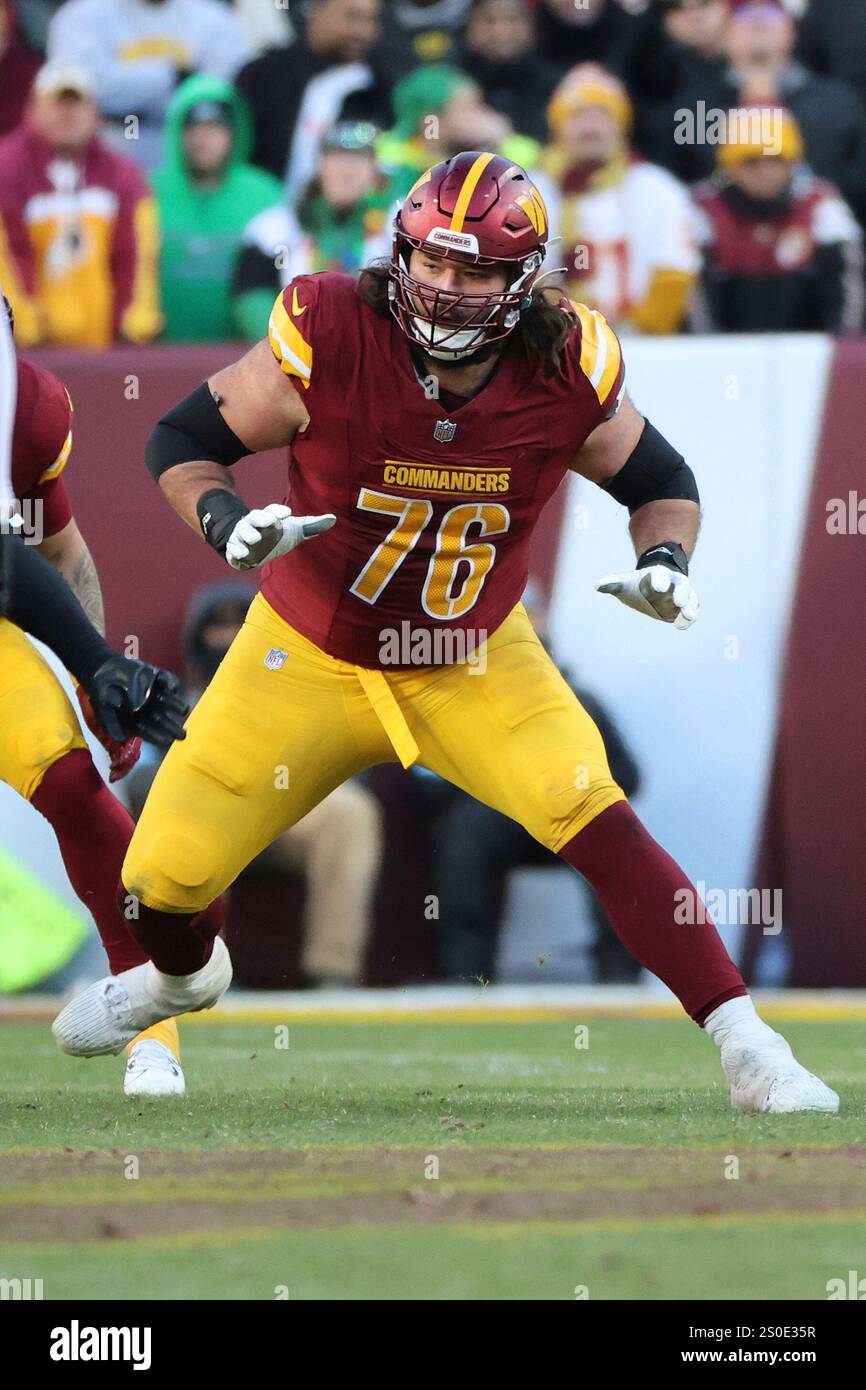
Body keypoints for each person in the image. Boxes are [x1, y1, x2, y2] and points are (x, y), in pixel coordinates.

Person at [55, 151, 838, 1117]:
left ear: (524, 280)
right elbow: (180, 441)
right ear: (401, 253)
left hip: (468, 656)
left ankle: (750, 1048)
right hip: (304, 650)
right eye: (432, 263)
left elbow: (664, 486)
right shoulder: (331, 326)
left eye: (475, 272)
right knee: (160, 882)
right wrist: (226, 522)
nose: (447, 288)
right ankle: (179, 984)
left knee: (588, 807)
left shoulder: (567, 362)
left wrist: (666, 564)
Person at [0, 300, 192, 1091]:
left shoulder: (31, 408)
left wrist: (96, 673)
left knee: (71, 779)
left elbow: (50, 550)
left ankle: (156, 1021)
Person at [125, 581, 384, 988]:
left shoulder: (300, 695)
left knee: (351, 811)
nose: (228, 637)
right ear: (197, 638)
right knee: (193, 812)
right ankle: (198, 974)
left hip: (285, 817)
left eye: (238, 625)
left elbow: (348, 756)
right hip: (208, 823)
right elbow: (137, 775)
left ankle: (334, 975)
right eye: (217, 627)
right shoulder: (170, 701)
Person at [421, 584, 641, 983]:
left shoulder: (581, 702)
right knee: (463, 836)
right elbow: (430, 789)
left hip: (567, 814)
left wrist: (581, 786)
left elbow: (630, 776)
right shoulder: (456, 703)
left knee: (607, 827)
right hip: (499, 817)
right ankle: (464, 975)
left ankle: (620, 975)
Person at [0, 61, 162, 348]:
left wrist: (131, 331)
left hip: (103, 351)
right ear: (32, 110)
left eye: (77, 105)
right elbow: (7, 259)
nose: (68, 114)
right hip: (24, 353)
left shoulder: (121, 175)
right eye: (56, 104)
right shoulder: (7, 170)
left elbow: (135, 257)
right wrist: (24, 335)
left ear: (96, 114)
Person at [537, 64, 699, 333]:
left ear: (621, 124)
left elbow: (676, 270)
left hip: (643, 344)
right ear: (558, 125)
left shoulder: (657, 188)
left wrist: (632, 334)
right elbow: (531, 278)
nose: (590, 127)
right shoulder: (534, 189)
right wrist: (568, 335)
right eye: (577, 115)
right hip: (556, 345)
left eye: (602, 115)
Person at [674, 0, 866, 225]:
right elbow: (681, 180)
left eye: (772, 13)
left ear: (792, 31)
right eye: (743, 14)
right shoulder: (694, 107)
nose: (758, 21)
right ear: (724, 34)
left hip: (821, 240)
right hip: (719, 242)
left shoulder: (838, 102)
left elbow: (858, 184)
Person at [691, 107, 863, 332]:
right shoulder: (703, 211)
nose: (765, 172)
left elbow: (846, 300)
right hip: (726, 353)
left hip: (810, 350)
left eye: (775, 160)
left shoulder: (821, 207)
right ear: (729, 165)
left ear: (793, 161)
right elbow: (697, 306)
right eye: (751, 161)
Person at [152, 75, 284, 342]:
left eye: (215, 128)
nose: (203, 139)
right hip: (158, 355)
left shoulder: (265, 194)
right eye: (194, 128)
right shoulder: (148, 191)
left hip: (243, 359)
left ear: (235, 133)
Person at [232, 120, 393, 338]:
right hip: (295, 357)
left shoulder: (396, 228)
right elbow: (252, 298)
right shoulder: (276, 228)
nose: (347, 172)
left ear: (376, 171)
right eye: (336, 159)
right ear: (319, 166)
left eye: (358, 161)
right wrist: (289, 348)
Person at [46, 0, 250, 170]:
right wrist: (172, 77)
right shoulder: (80, 16)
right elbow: (82, 88)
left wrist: (129, 85)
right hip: (108, 142)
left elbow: (219, 92)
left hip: (184, 149)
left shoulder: (214, 18)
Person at [234, 0, 390, 197]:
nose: (363, 31)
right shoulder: (260, 76)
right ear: (316, 11)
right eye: (352, 17)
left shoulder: (378, 90)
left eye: (372, 20)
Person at [377, 63, 537, 193]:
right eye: (469, 108)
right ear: (431, 119)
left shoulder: (492, 148)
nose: (481, 116)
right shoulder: (386, 159)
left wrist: (503, 143)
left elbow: (533, 164)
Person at [452, 0, 560, 145]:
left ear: (531, 26)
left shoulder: (557, 86)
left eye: (512, 19)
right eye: (489, 20)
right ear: (469, 28)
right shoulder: (448, 86)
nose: (501, 31)